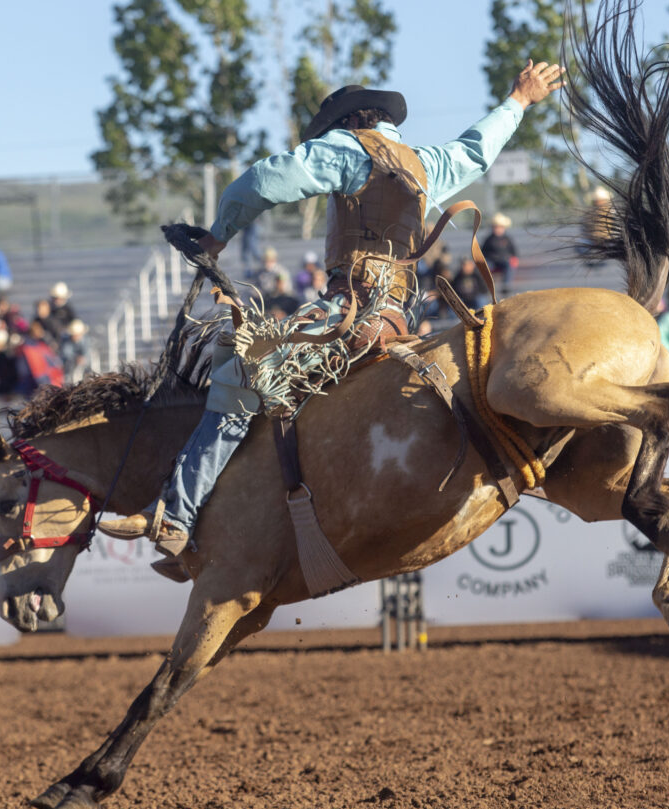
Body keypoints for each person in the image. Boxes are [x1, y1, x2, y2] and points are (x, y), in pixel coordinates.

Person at [99, 59, 567, 558]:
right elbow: (477, 150)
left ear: (348, 122)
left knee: (242, 368)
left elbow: (261, 182)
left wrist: (216, 238)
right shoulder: (426, 162)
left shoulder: (348, 147)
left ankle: (177, 514)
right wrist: (519, 100)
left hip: (351, 312)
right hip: (399, 317)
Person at [481, 213, 519, 290]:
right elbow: (483, 252)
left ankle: (506, 286)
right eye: (496, 227)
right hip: (491, 261)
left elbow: (514, 252)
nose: (498, 229)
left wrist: (514, 259)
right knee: (486, 267)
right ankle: (487, 285)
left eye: (500, 227)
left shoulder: (507, 239)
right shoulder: (488, 239)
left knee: (509, 266)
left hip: (504, 261)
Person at [60, 319, 93, 383]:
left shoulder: (86, 340)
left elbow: (87, 353)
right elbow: (66, 354)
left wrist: (83, 359)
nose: (76, 336)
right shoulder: (66, 341)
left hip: (84, 366)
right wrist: (76, 358)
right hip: (69, 367)